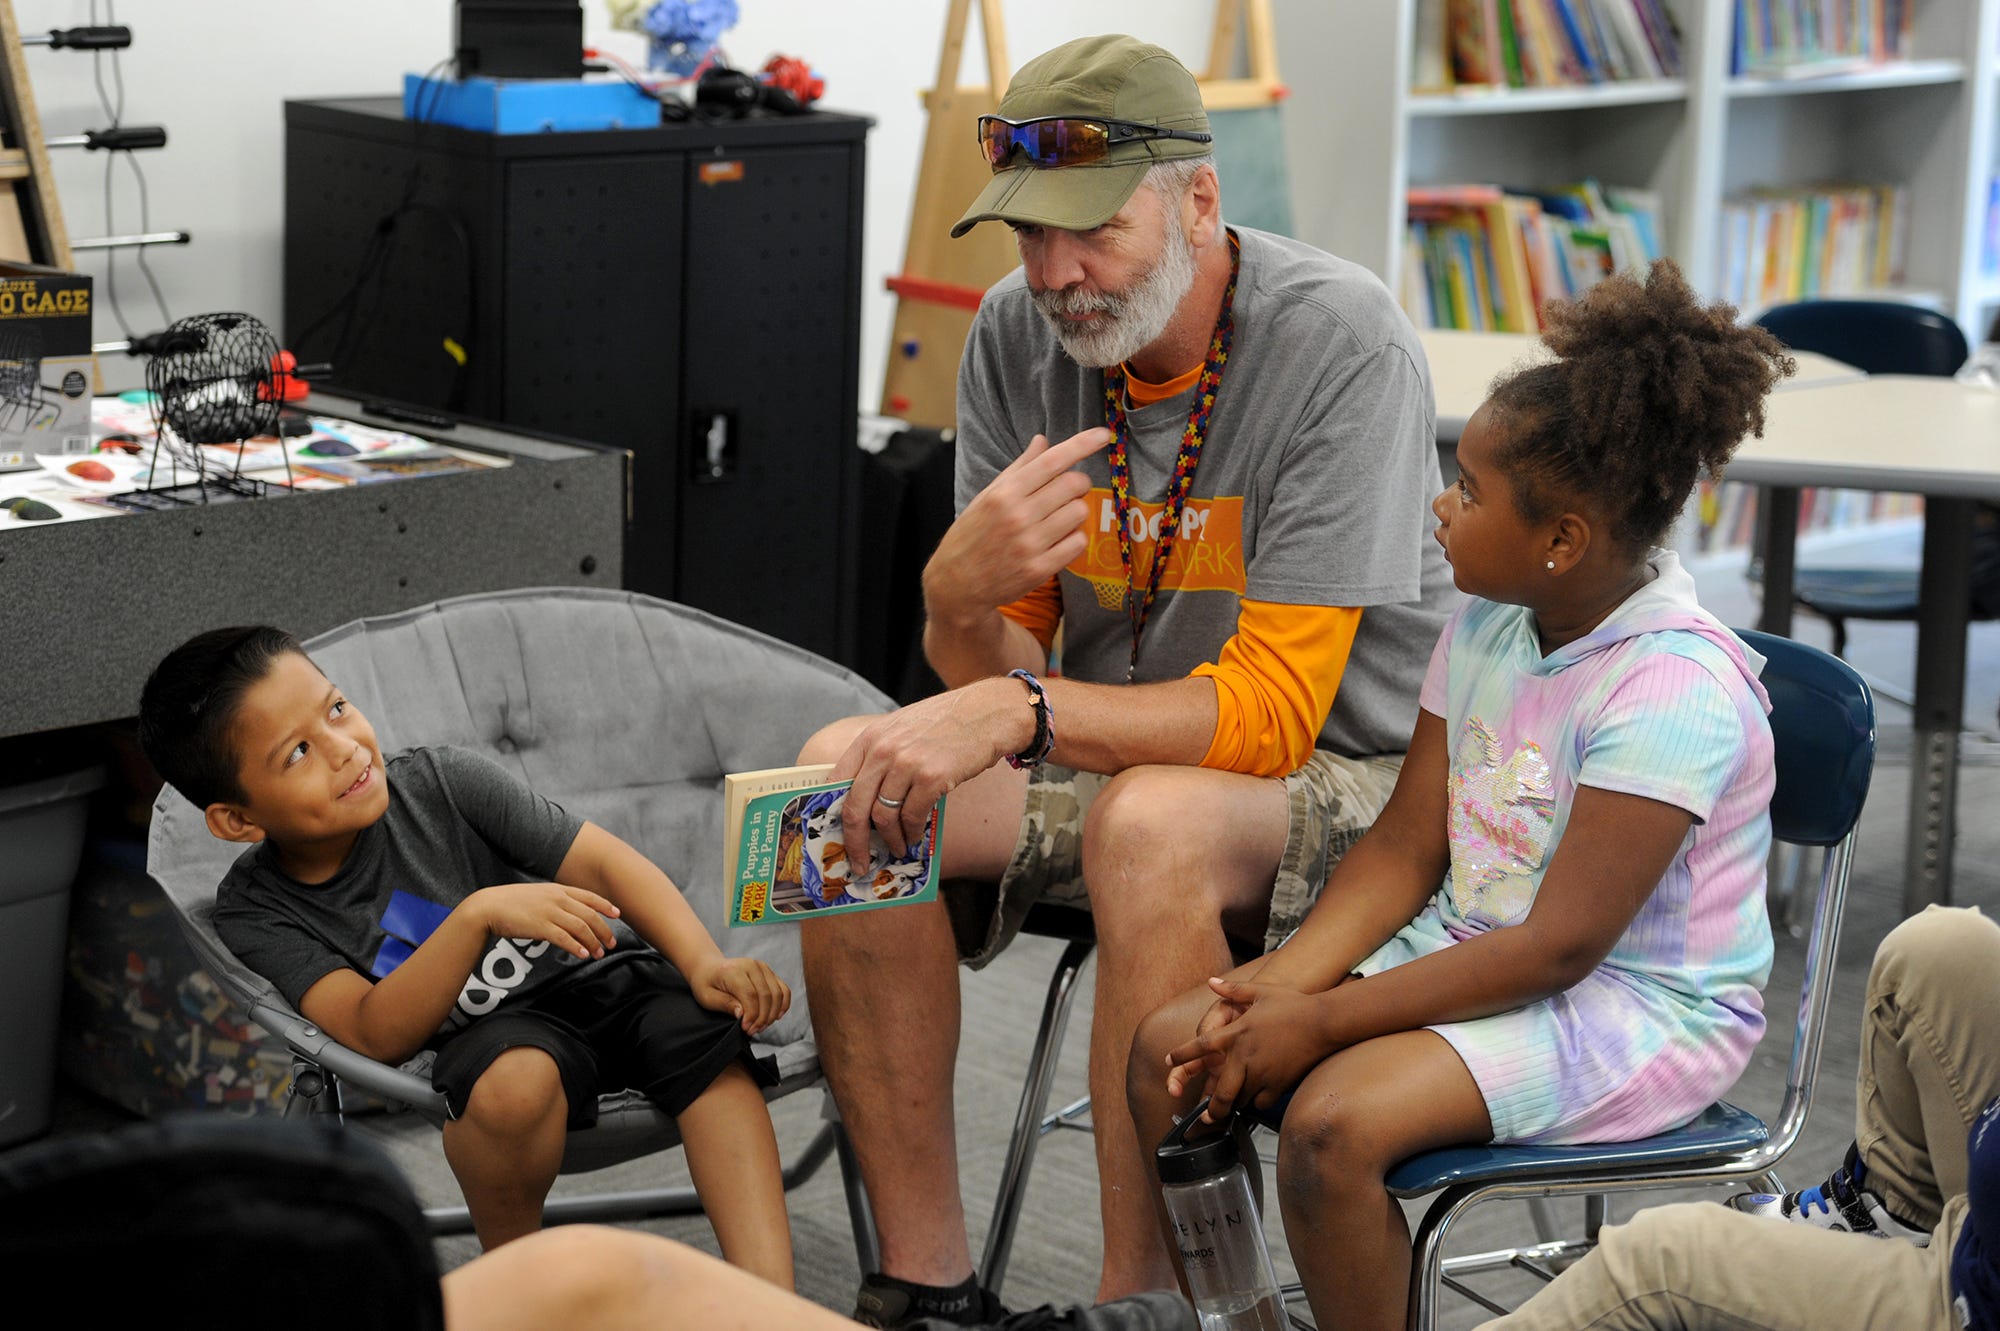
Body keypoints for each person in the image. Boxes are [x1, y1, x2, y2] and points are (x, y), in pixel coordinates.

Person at [797, 32, 1456, 1325]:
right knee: (843, 785)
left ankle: (1138, 1303)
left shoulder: (1342, 344)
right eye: (1029, 238)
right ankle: (926, 1284)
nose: (1057, 274)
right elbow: (1004, 668)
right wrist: (952, 598)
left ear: (1199, 201)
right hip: (1110, 753)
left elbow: (1270, 716)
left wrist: (1022, 704)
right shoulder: (1014, 337)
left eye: (1090, 231)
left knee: (1151, 817)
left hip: (1354, 781)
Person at [1129, 258, 1796, 1331]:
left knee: (1332, 1125)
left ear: (1561, 540)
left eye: (1468, 490)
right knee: (1177, 1040)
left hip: (1635, 1006)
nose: (1438, 506)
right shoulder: (1488, 618)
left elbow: (1556, 950)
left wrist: (1324, 1017)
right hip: (1472, 943)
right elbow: (1403, 845)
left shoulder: (1673, 687)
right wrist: (1280, 985)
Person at [135, 625, 794, 1280]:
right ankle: (516, 1289)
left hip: (601, 970)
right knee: (513, 1083)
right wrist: (475, 917)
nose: (344, 749)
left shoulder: (443, 780)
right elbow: (372, 1032)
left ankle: (773, 1304)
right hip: (495, 1034)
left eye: (336, 708)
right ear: (238, 820)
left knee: (702, 1033)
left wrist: (705, 962)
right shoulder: (260, 910)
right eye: (299, 751)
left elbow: (604, 862)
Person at [1473, 904, 2000, 1331]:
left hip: (1979, 1288)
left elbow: (1559, 941)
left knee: (1658, 1260)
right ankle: (1896, 1223)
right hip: (1978, 1223)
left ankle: (1930, 1277)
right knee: (1936, 950)